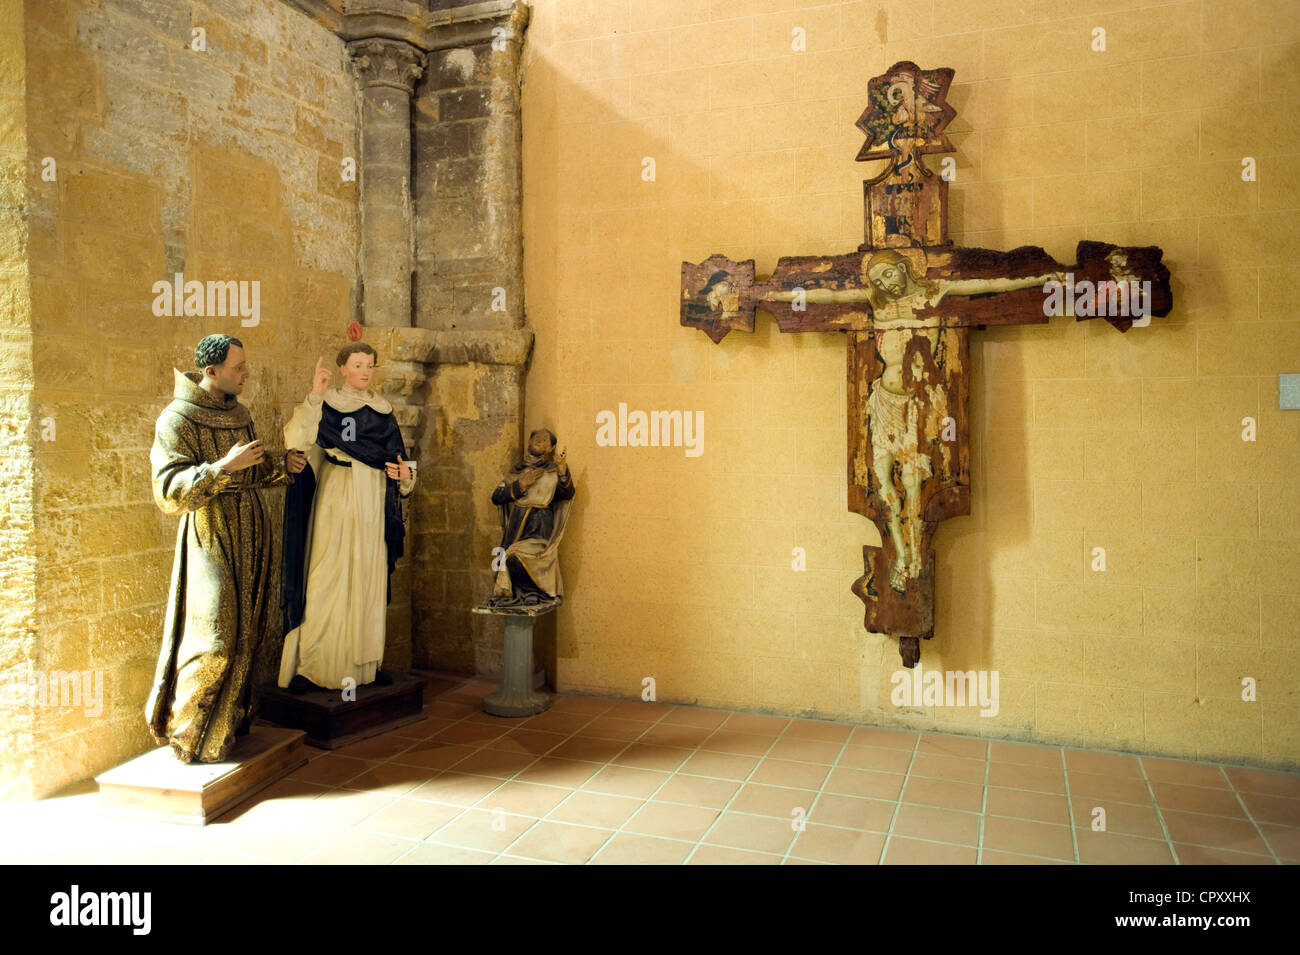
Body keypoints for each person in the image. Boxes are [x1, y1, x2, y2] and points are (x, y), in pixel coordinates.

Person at [148, 334, 303, 762]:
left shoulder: (240, 413)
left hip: (252, 532)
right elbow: (169, 493)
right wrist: (220, 468)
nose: (246, 373)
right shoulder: (176, 419)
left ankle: (228, 724)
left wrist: (279, 465)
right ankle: (188, 734)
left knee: (248, 633)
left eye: (245, 365)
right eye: (239, 367)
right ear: (211, 371)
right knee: (214, 636)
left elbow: (249, 471)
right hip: (211, 535)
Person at [277, 341, 414, 692]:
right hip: (337, 492)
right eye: (357, 364)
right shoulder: (328, 404)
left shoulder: (382, 411)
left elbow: (402, 459)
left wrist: (405, 476)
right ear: (342, 368)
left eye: (369, 364)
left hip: (374, 497)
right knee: (328, 573)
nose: (365, 371)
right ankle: (313, 665)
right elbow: (297, 438)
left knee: (368, 576)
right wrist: (314, 396)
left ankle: (366, 665)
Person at [489, 428, 574, 607]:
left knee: (521, 556)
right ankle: (517, 593)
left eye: (545, 440)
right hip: (517, 523)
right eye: (536, 438)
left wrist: (562, 470)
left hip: (540, 523)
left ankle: (532, 591)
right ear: (529, 443)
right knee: (508, 559)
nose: (539, 441)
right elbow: (497, 496)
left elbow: (566, 494)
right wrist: (521, 484)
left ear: (550, 448)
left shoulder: (551, 472)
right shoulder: (517, 471)